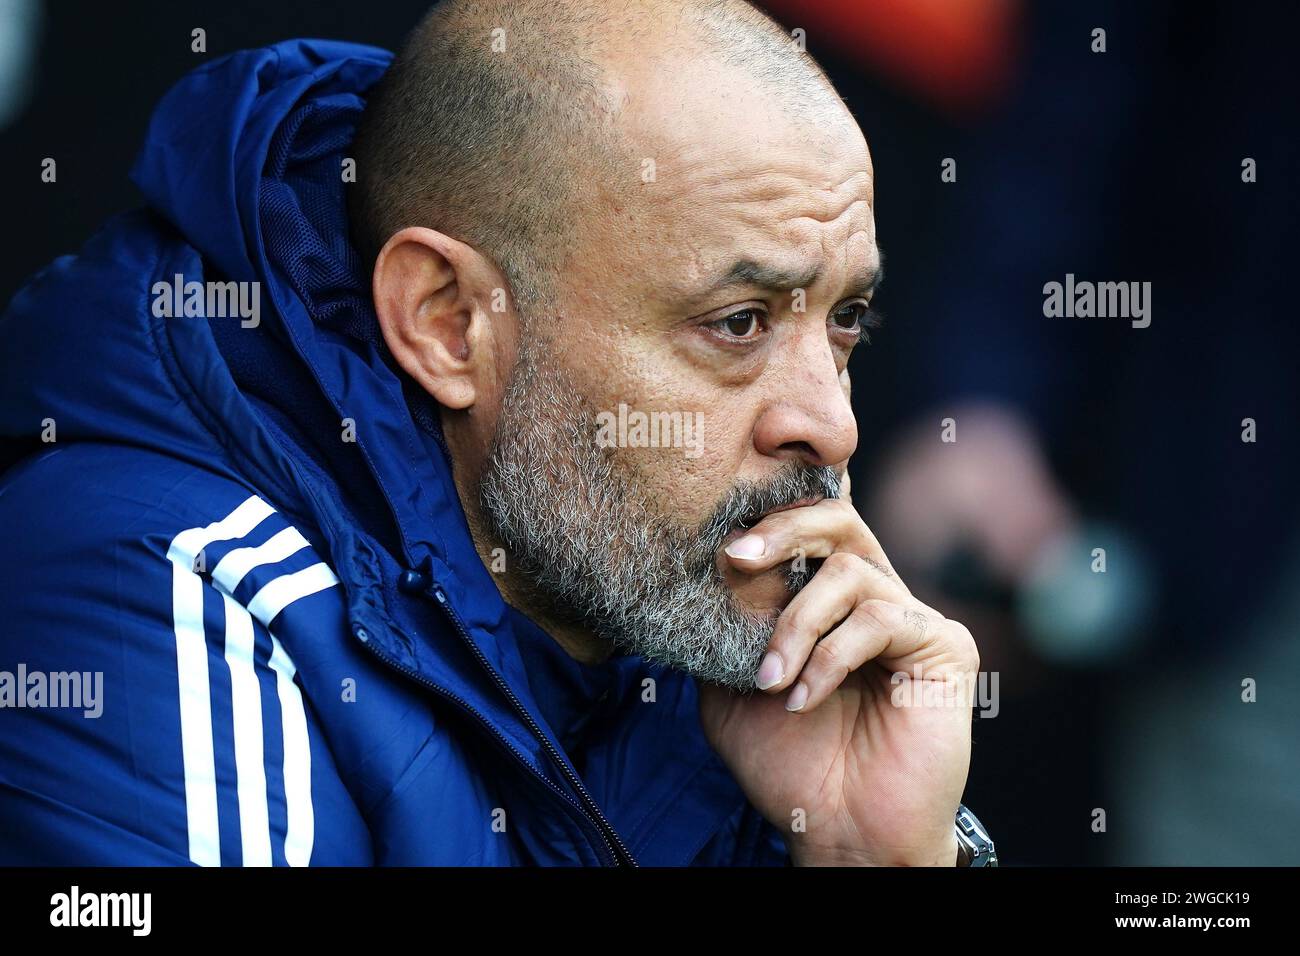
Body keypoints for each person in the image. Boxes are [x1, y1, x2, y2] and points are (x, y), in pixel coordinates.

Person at [0, 0, 979, 866]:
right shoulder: (162, 593)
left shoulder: (668, 622)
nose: (832, 425)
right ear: (449, 323)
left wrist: (871, 853)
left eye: (844, 321)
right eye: (737, 324)